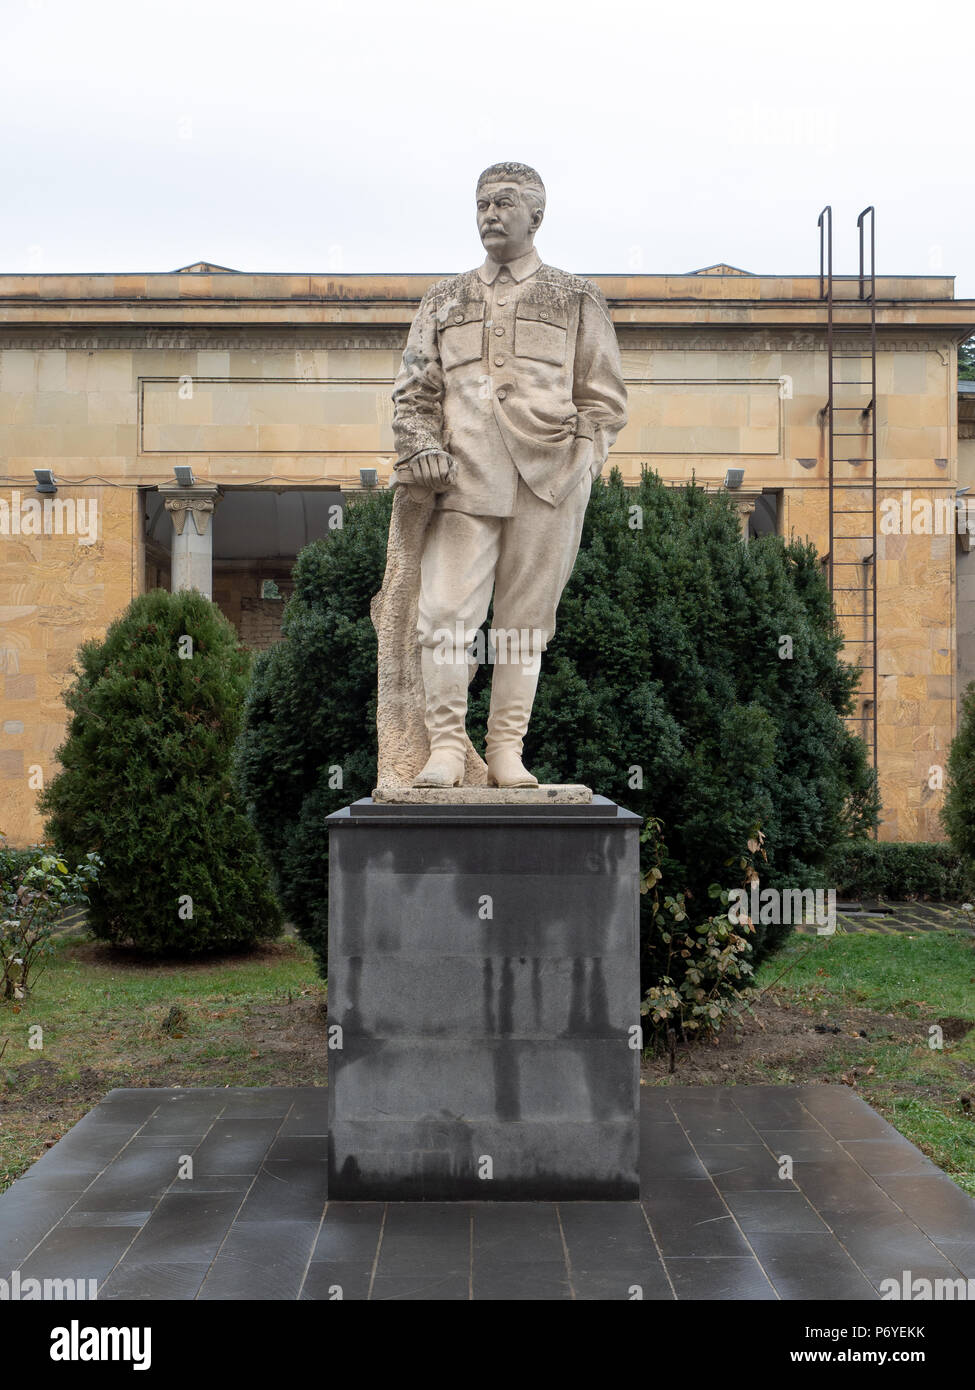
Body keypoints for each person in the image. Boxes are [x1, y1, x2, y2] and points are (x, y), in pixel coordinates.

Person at [391, 161, 628, 788]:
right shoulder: (443, 299)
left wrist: (581, 463)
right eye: (481, 205)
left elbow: (604, 400)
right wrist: (419, 448)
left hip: (549, 483)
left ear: (536, 214)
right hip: (461, 482)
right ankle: (446, 746)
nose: (490, 214)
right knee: (443, 616)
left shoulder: (576, 297)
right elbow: (414, 392)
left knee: (525, 624)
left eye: (503, 203)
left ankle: (505, 753)